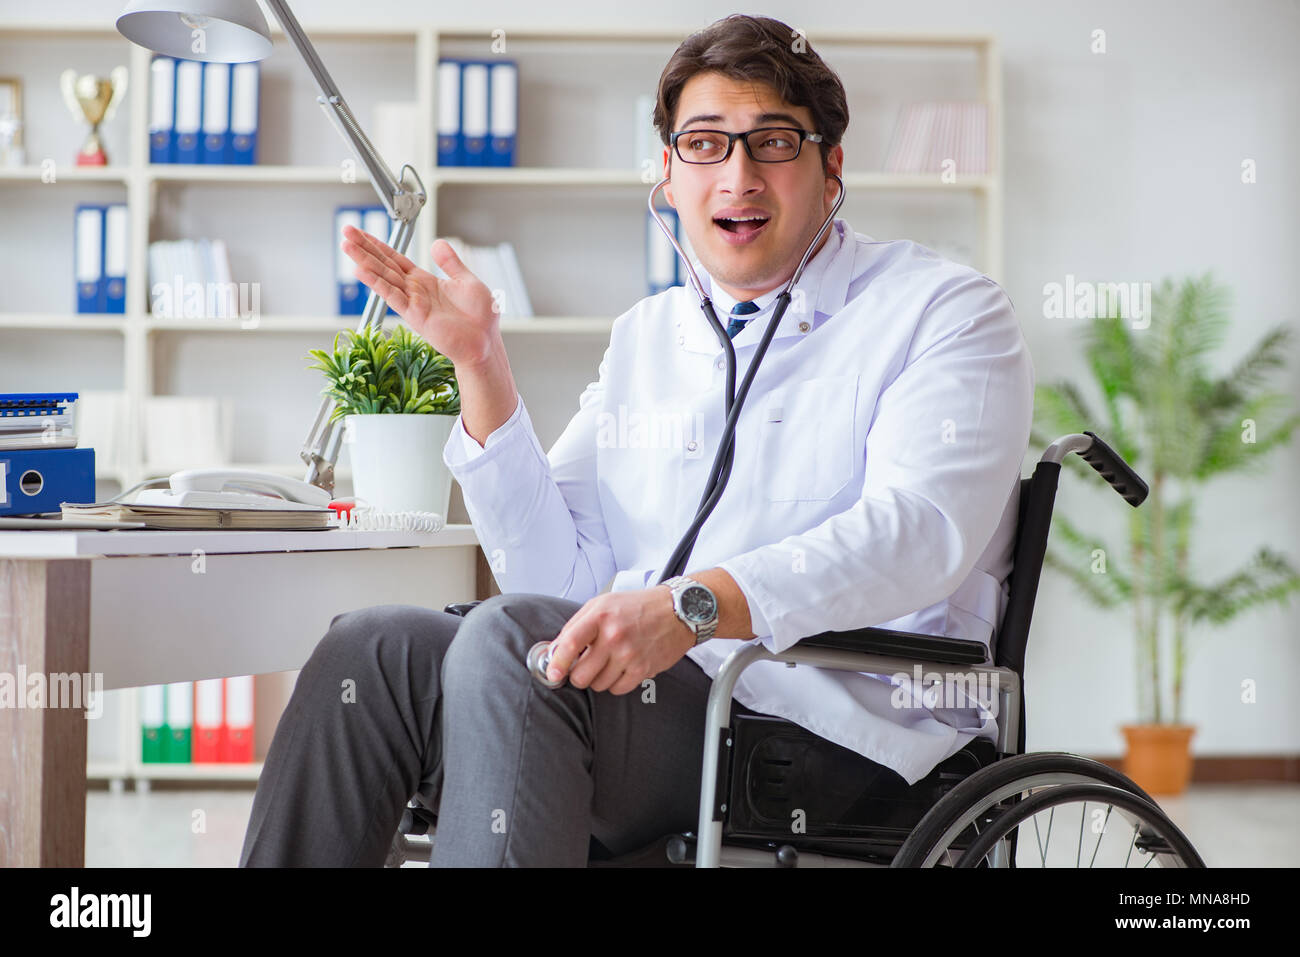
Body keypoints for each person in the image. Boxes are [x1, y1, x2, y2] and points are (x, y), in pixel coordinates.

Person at [239, 13, 1033, 868]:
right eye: (704, 144)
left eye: (772, 142)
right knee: (375, 647)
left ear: (830, 166)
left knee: (521, 650)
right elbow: (554, 582)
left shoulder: (945, 310)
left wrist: (692, 607)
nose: (738, 176)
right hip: (661, 713)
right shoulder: (650, 334)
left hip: (841, 734)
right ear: (669, 172)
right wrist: (481, 363)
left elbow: (919, 531)